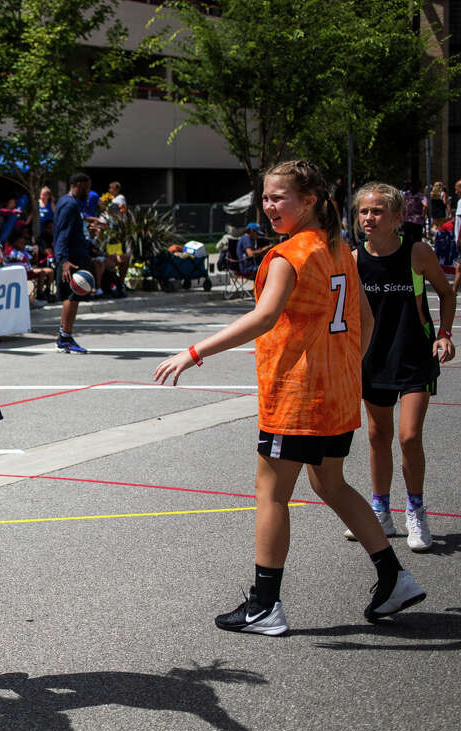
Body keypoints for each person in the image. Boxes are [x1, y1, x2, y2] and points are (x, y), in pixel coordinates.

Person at [153, 160, 426, 635]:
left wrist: (194, 351)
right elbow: (365, 321)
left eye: (280, 197)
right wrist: (342, 369)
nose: (269, 205)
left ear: (310, 201)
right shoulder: (340, 250)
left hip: (299, 399)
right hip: (335, 397)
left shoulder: (290, 255)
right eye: (265, 197)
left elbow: (264, 317)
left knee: (271, 493)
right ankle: (392, 575)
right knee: (331, 485)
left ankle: (264, 604)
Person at [343, 183, 455, 552]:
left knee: (408, 436)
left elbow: (447, 291)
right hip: (373, 359)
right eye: (363, 212)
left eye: (376, 211)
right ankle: (380, 512)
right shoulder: (355, 259)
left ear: (396, 217)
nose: (368, 218)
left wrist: (443, 333)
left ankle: (416, 510)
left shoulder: (417, 253)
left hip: (413, 356)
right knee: (378, 436)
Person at [54, 173, 94, 353]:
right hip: (71, 260)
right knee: (72, 297)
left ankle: (65, 336)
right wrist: (64, 261)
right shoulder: (69, 205)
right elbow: (62, 233)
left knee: (74, 297)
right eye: (87, 187)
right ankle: (64, 337)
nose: (89, 191)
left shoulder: (68, 203)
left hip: (75, 257)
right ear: (78, 185)